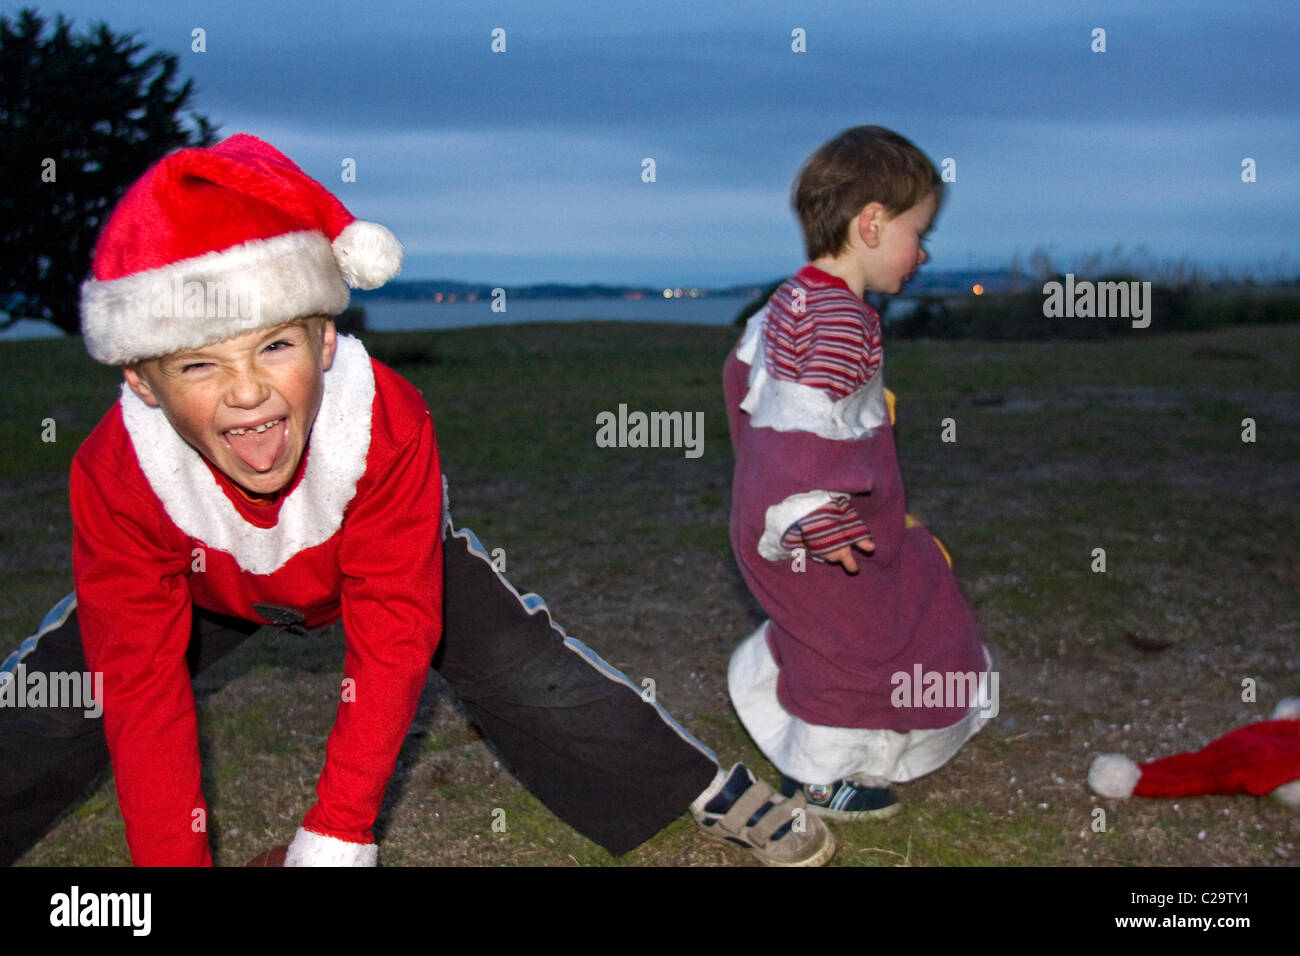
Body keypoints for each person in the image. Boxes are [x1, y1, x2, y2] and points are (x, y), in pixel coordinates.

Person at [0, 133, 834, 867]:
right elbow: (143, 690)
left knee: (524, 663)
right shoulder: (120, 474)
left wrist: (333, 840)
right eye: (198, 365)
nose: (246, 392)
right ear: (140, 383)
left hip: (378, 561)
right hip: (204, 576)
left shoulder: (385, 421)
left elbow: (392, 641)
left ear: (327, 340)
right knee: (59, 692)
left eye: (275, 345)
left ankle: (703, 785)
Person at [723, 126, 996, 820]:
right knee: (856, 647)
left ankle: (862, 748)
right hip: (812, 526)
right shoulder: (839, 321)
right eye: (917, 230)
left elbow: (765, 403)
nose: (923, 251)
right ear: (871, 223)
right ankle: (819, 781)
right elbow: (798, 431)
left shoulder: (795, 300)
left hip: (805, 522)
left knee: (868, 626)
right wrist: (813, 509)